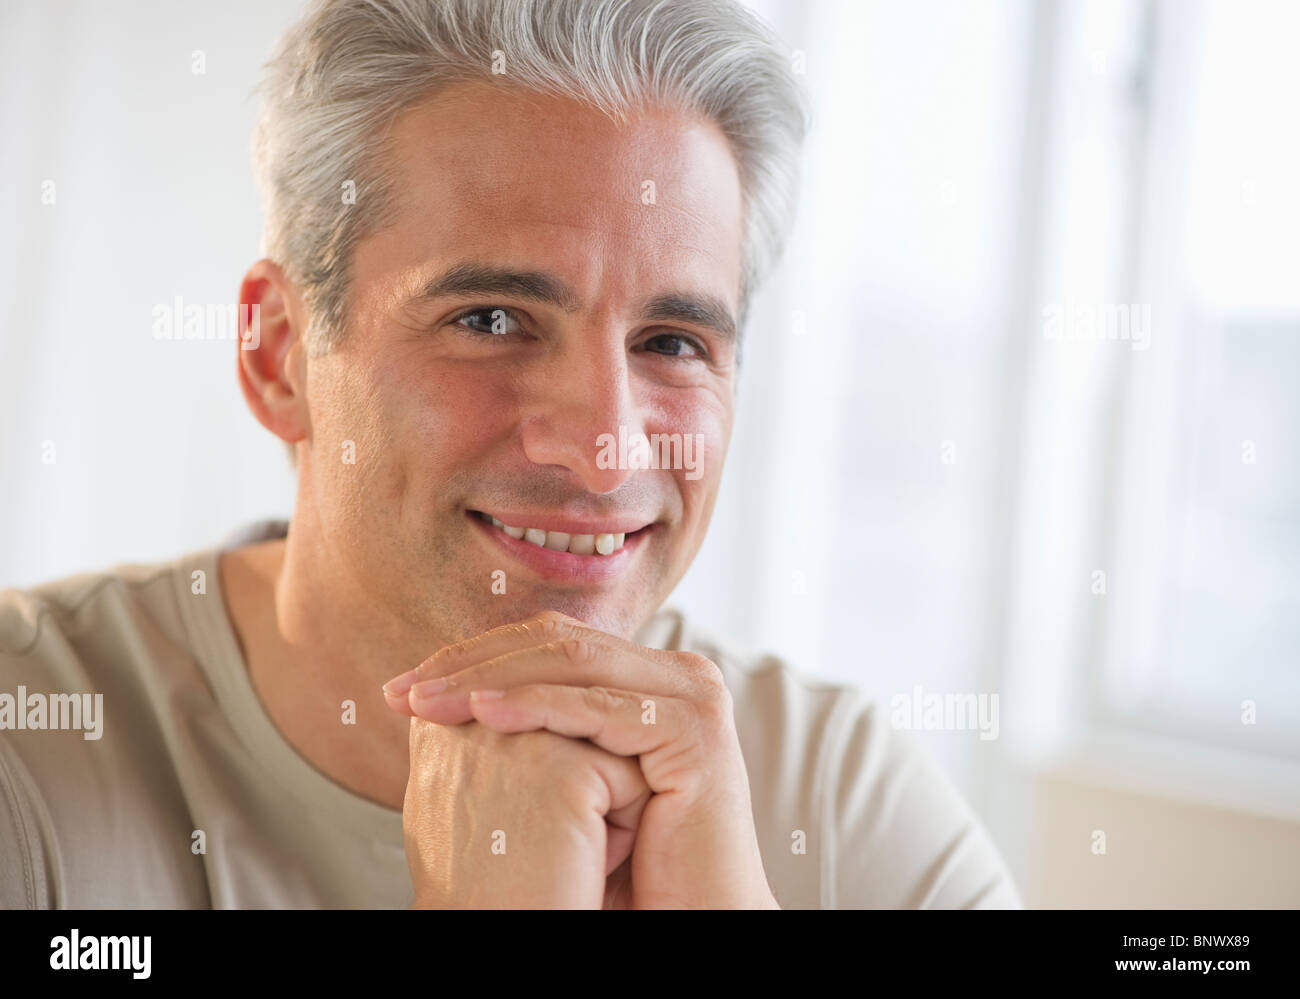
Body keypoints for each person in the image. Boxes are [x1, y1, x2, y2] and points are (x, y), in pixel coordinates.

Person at [0, 0, 1020, 909]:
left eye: (672, 343)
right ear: (279, 357)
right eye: (491, 319)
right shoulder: (30, 750)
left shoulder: (838, 798)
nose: (602, 450)